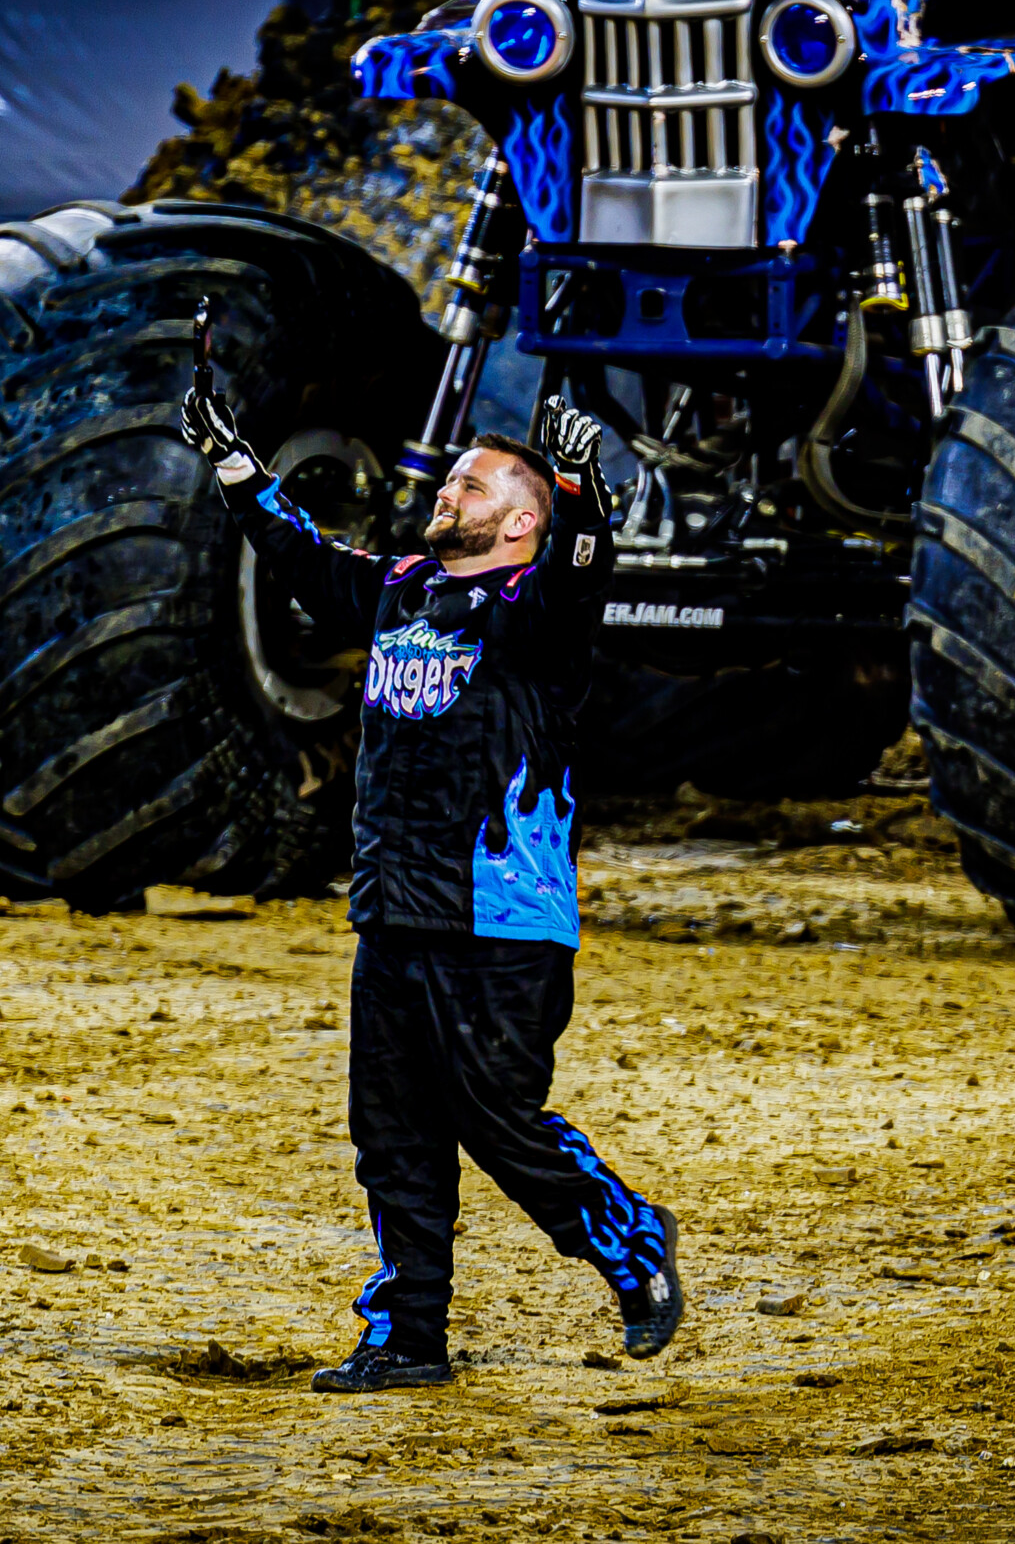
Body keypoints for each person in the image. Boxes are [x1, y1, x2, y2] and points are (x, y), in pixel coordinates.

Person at [180, 368, 684, 1394]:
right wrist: (236, 465)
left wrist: (582, 480)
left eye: (473, 485)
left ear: (521, 523)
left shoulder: (538, 611)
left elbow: (585, 567)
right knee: (393, 1134)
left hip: (501, 920)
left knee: (498, 1121)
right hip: (392, 911)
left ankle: (631, 1243)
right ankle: (408, 1335)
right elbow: (302, 560)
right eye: (449, 480)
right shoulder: (407, 588)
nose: (446, 492)